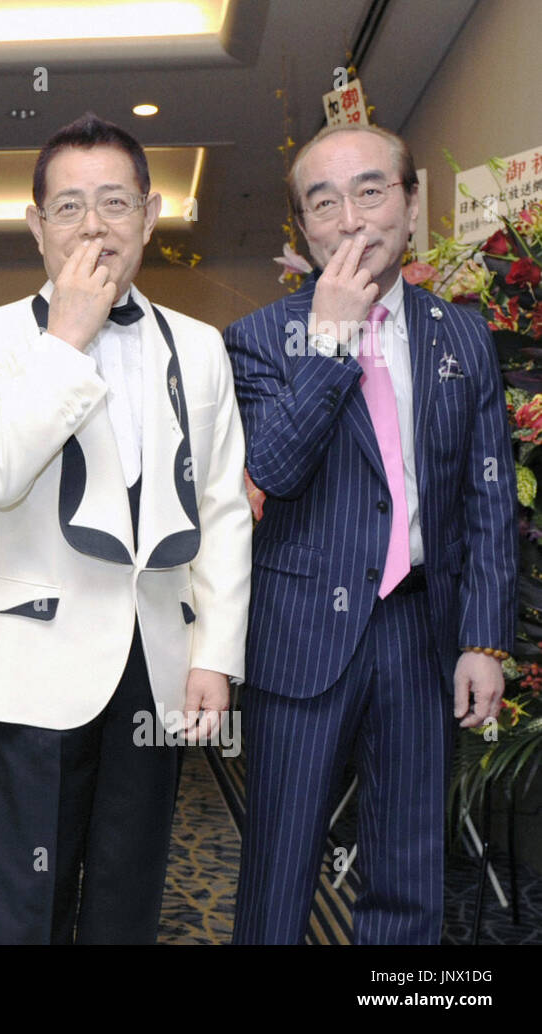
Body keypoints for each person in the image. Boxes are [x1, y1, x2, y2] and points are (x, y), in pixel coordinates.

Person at [0, 114, 251, 944]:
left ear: (151, 217)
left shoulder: (198, 347)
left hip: (157, 661)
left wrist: (217, 656)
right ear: (35, 224)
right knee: (23, 895)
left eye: (115, 203)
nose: (94, 225)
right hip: (36, 654)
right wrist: (68, 339)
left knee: (129, 890)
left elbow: (222, 506)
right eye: (70, 206)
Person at [225, 123, 516, 944]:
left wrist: (483, 641)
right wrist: (330, 340)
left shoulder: (460, 335)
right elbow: (270, 472)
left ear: (411, 201)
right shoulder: (255, 340)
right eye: (324, 201)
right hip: (300, 637)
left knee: (409, 876)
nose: (350, 217)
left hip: (421, 633)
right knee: (279, 876)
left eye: (371, 190)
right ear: (303, 228)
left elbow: (488, 497)